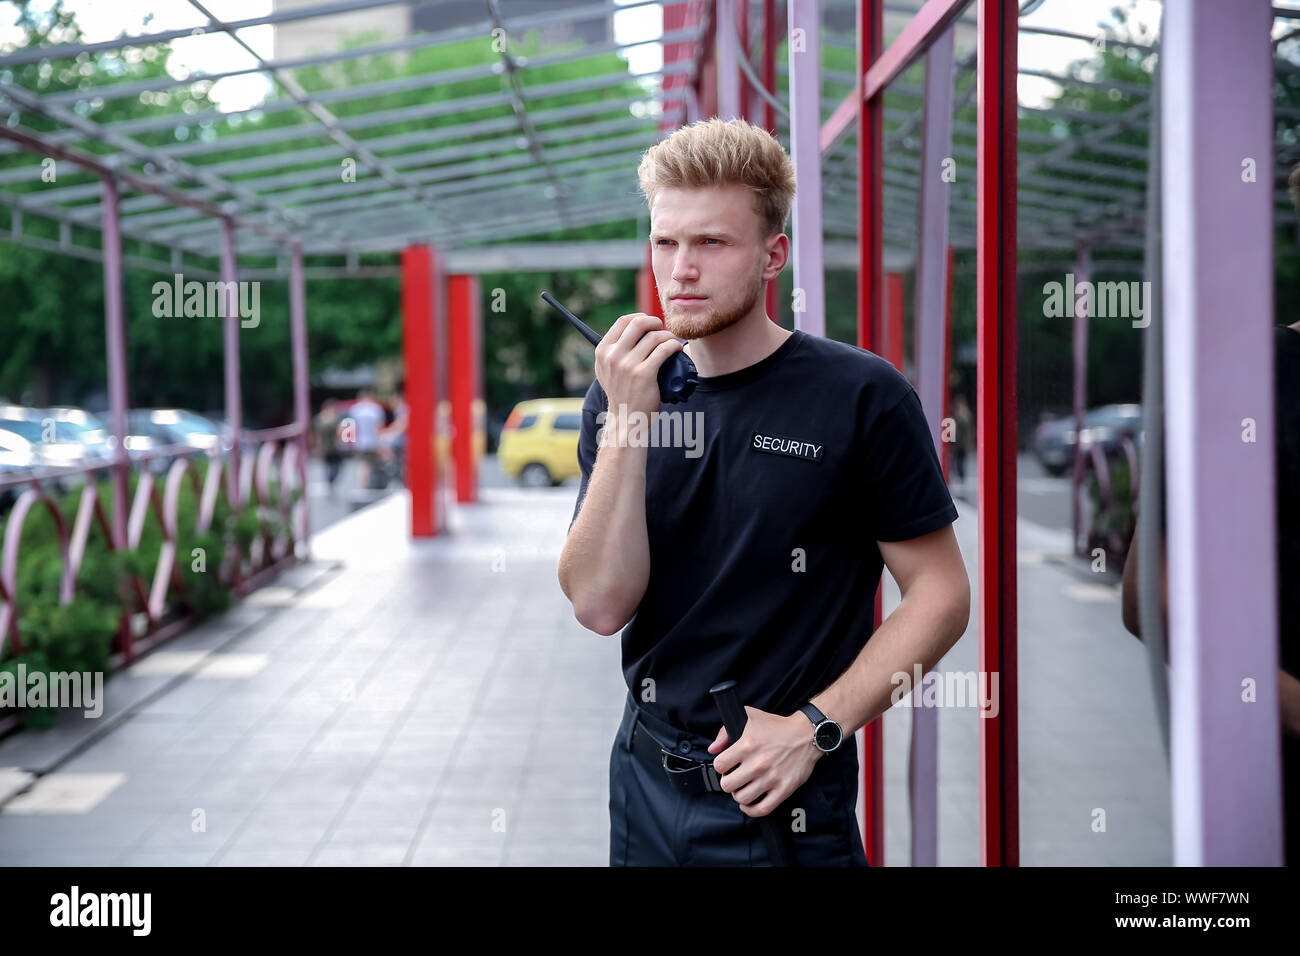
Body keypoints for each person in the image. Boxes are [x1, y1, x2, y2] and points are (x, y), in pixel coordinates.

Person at [557, 118, 971, 867]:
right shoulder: (621, 396)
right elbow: (598, 604)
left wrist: (816, 726)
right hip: (644, 775)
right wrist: (625, 420)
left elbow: (941, 593)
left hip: (783, 795)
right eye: (665, 242)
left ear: (773, 255)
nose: (680, 269)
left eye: (711, 243)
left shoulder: (859, 396)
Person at [347, 387, 386, 491]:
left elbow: (351, 427)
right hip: (373, 440)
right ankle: (375, 484)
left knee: (363, 464)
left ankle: (364, 485)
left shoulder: (355, 409)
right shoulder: (376, 408)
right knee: (376, 463)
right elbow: (378, 427)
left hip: (360, 441)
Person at [311, 398, 344, 495]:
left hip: (335, 447)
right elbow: (317, 435)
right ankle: (329, 483)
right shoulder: (319, 419)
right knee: (329, 467)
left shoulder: (336, 418)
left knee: (337, 467)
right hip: (326, 447)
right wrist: (317, 447)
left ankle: (330, 482)